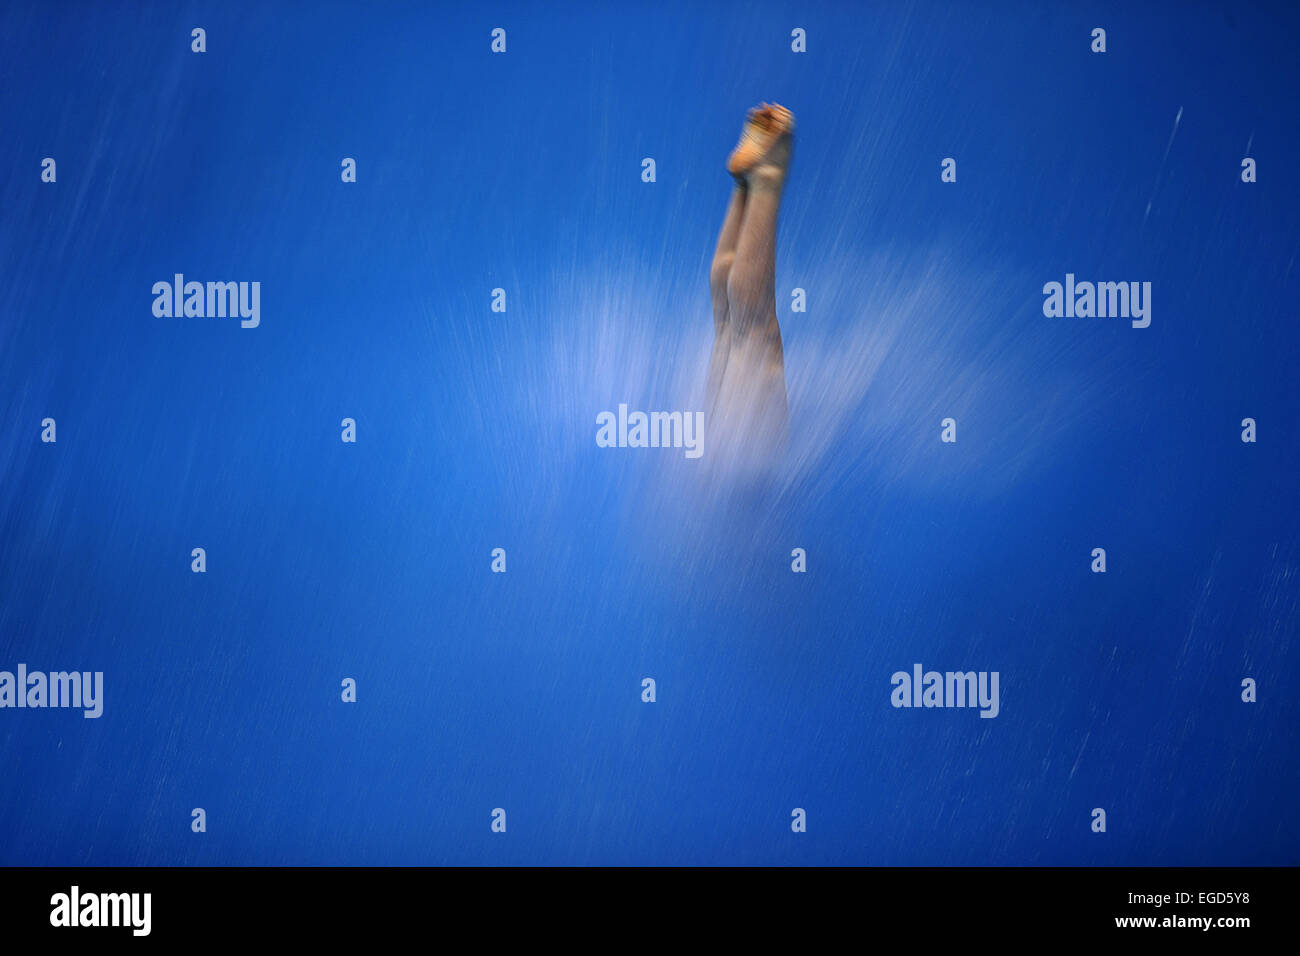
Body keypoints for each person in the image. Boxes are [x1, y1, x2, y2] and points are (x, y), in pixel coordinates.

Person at [706, 103, 794, 469]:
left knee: (729, 330)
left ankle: (748, 185)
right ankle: (763, 177)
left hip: (715, 461)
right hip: (747, 473)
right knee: (751, 336)